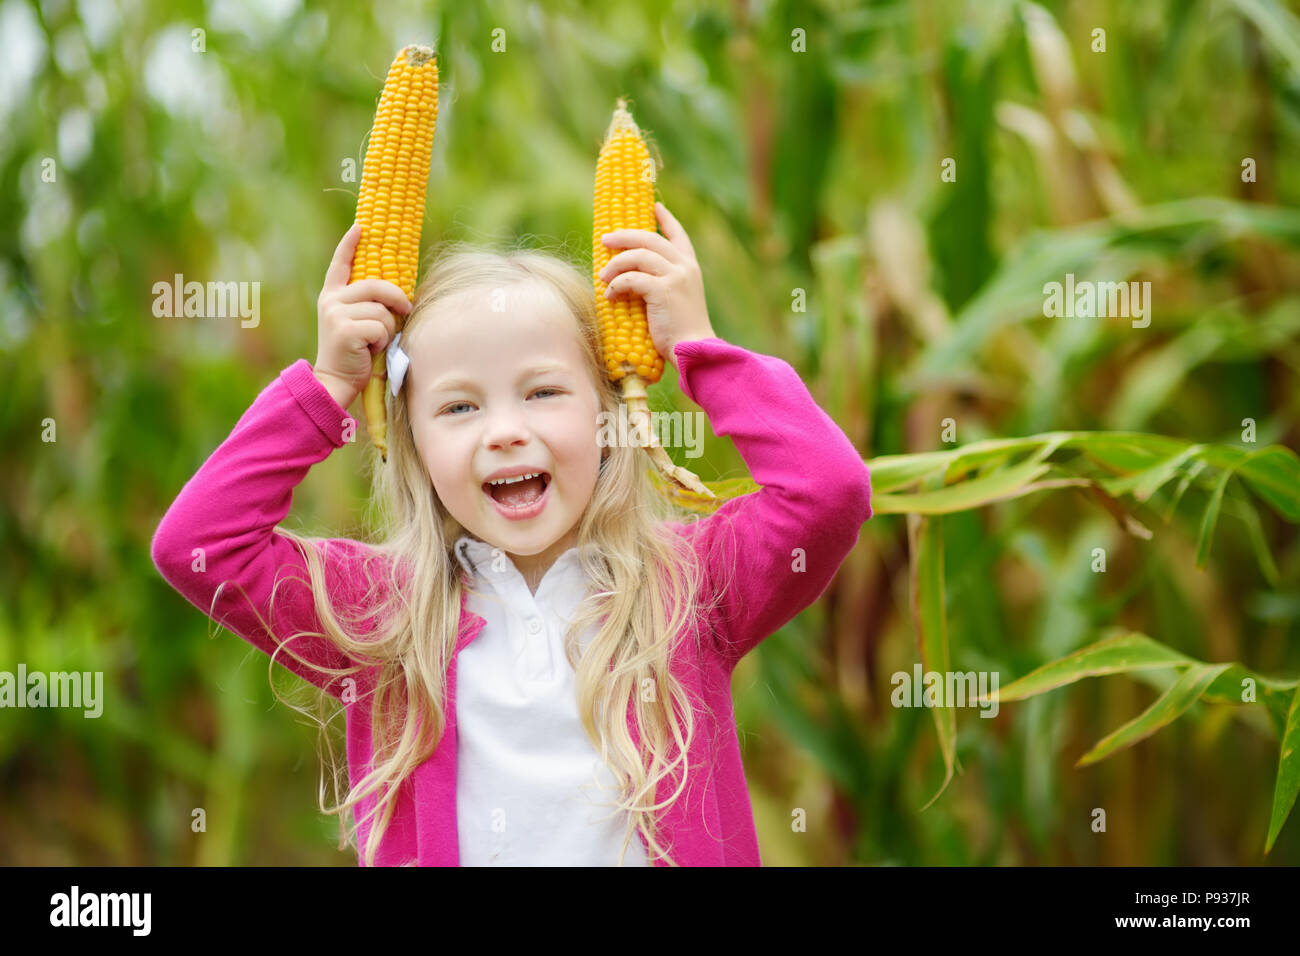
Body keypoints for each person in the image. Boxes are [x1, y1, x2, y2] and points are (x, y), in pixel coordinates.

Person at [150, 201, 873, 866]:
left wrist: (699, 349)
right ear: (413, 444)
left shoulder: (687, 588)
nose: (504, 432)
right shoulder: (380, 616)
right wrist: (329, 386)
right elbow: (198, 544)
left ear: (607, 412)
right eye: (459, 407)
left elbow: (829, 493)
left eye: (543, 392)